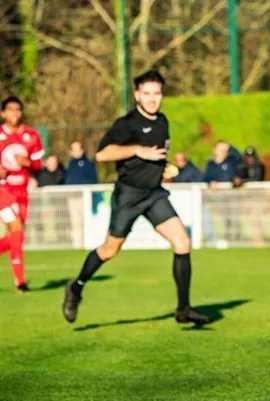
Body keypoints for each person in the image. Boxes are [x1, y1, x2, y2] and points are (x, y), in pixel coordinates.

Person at [61, 70, 211, 325]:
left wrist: (165, 170)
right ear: (137, 95)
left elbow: (157, 156)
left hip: (154, 194)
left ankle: (184, 309)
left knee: (183, 243)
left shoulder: (162, 121)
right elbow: (102, 154)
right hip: (129, 195)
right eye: (147, 94)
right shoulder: (126, 123)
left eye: (157, 93)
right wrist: (137, 150)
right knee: (109, 250)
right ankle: (76, 287)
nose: (153, 99)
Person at [0, 95, 43, 293]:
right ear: (3, 113)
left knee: (16, 236)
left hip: (22, 191)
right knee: (16, 227)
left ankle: (20, 282)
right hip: (2, 190)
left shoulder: (31, 135)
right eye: (10, 109)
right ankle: (20, 283)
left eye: (18, 109)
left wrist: (28, 164)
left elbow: (38, 165)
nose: (14, 113)